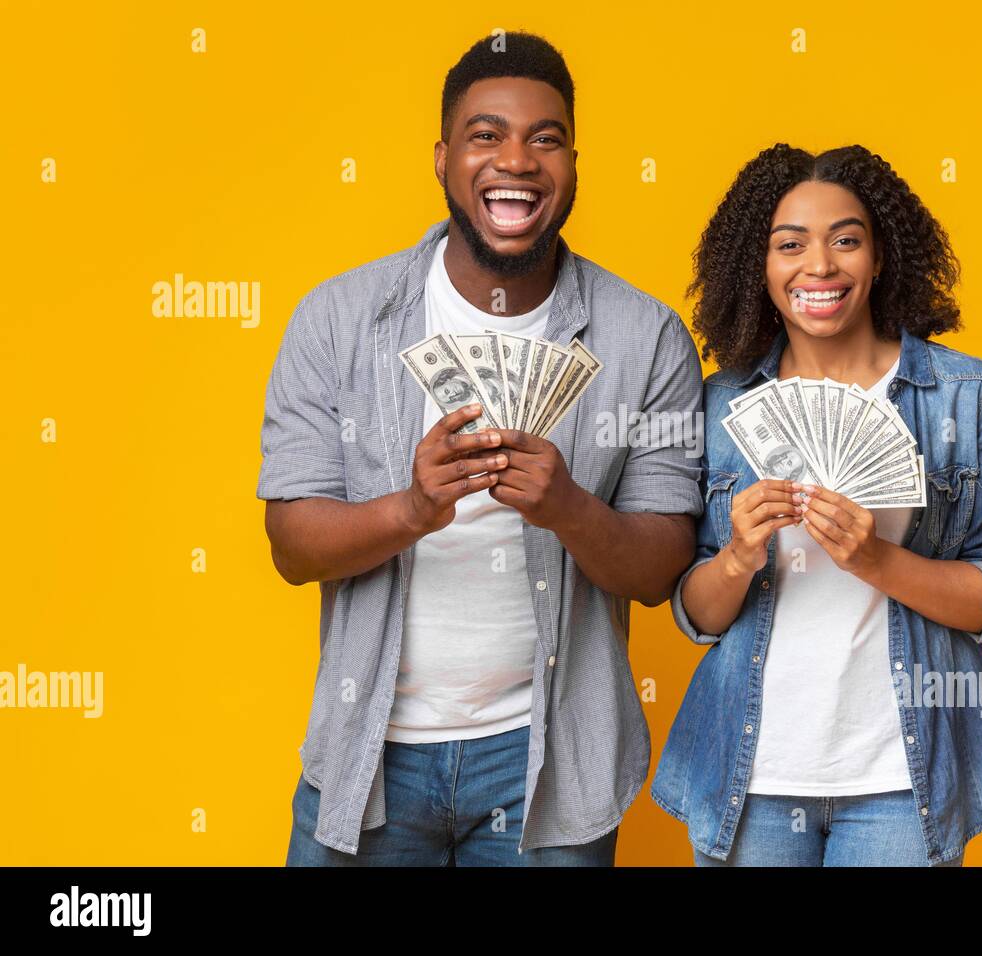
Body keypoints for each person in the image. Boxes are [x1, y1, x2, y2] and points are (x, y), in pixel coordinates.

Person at [258, 31, 704, 866]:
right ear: (443, 159)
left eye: (546, 138)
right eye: (487, 134)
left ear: (573, 161)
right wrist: (412, 509)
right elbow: (290, 546)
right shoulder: (338, 320)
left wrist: (569, 508)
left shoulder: (646, 337)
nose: (518, 160)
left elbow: (662, 569)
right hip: (370, 757)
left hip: (550, 764)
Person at [650, 144, 982, 866]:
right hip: (749, 776)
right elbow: (694, 616)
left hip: (902, 779)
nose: (819, 266)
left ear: (880, 256)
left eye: (846, 240)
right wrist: (737, 558)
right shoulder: (720, 407)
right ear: (759, 269)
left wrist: (876, 559)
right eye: (789, 245)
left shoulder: (966, 396)